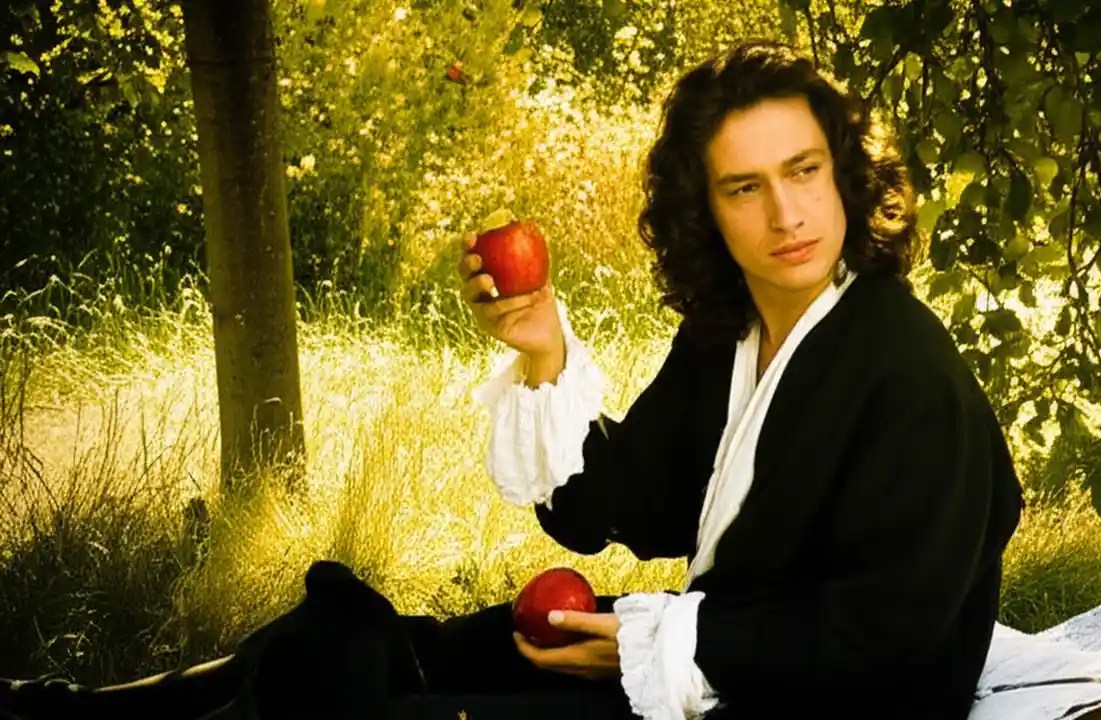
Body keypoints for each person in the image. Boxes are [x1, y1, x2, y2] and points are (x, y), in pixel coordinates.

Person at [0, 39, 1024, 720]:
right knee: (403, 648)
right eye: (744, 187)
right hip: (726, 661)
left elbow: (891, 648)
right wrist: (541, 351)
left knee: (409, 707)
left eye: (804, 171)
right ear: (704, 210)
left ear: (845, 172)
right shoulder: (735, 330)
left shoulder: (905, 374)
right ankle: (78, 708)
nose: (786, 215)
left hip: (794, 703)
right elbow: (624, 507)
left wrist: (650, 648)